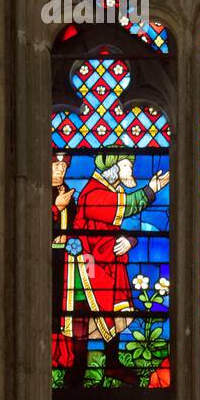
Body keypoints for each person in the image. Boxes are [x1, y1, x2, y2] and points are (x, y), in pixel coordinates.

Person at [61, 153, 170, 385]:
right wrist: (151, 190)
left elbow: (114, 225)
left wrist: (129, 239)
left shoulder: (111, 190)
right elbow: (127, 207)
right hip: (86, 265)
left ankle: (112, 363)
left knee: (114, 308)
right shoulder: (93, 193)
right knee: (82, 313)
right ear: (113, 168)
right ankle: (76, 371)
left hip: (106, 258)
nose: (131, 170)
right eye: (127, 165)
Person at [51, 152, 77, 374]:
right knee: (49, 305)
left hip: (65, 256)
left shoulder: (66, 190)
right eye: (56, 165)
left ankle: (63, 356)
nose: (60, 170)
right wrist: (56, 208)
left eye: (63, 166)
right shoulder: (47, 193)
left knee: (62, 308)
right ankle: (51, 355)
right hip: (45, 258)